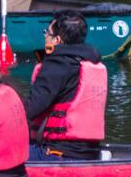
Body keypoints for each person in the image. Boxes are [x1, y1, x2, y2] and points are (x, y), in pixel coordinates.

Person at [23, 9, 107, 161]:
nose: (45, 37)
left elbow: (29, 111)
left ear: (57, 40)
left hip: (57, 153)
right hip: (89, 152)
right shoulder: (89, 61)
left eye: (47, 33)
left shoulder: (57, 64)